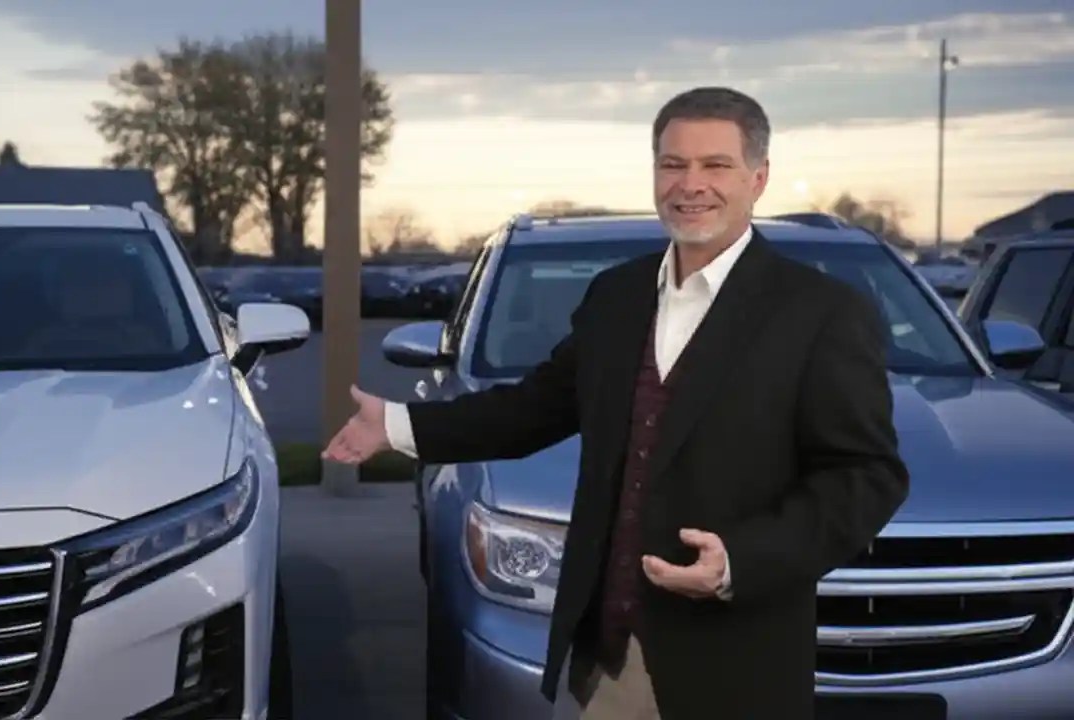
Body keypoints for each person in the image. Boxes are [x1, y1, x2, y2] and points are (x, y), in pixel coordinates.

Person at [321, 86, 910, 719]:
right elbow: (536, 407)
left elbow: (866, 475)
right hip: (609, 661)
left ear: (759, 177)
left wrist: (742, 559)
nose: (691, 184)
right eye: (672, 164)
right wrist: (400, 424)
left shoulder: (818, 313)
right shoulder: (617, 298)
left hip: (737, 669)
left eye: (716, 165)